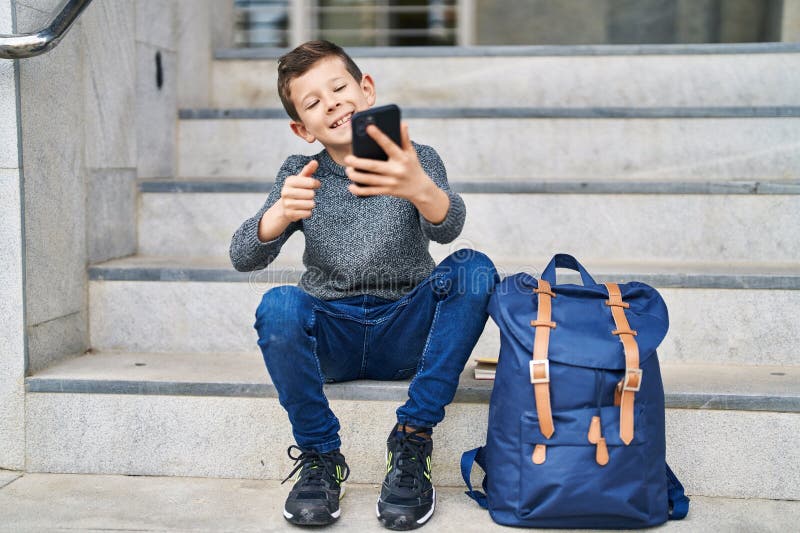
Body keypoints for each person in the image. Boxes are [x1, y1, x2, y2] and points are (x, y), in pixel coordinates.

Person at [229, 40, 497, 530]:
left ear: (366, 89)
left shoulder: (413, 157)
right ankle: (320, 455)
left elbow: (447, 227)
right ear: (302, 129)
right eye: (312, 102)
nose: (330, 102)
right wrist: (277, 216)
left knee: (472, 268)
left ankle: (413, 437)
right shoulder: (299, 172)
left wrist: (418, 187)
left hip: (407, 329)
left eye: (338, 87)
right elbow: (244, 256)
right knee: (279, 304)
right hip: (334, 336)